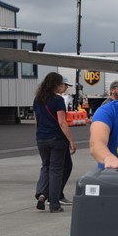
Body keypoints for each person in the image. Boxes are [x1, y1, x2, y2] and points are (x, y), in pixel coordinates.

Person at [33, 73, 77, 213]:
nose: (62, 87)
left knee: (45, 167)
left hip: (41, 138)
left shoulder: (37, 100)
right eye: (60, 84)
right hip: (57, 139)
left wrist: (40, 135)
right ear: (55, 85)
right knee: (56, 171)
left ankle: (42, 194)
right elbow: (62, 122)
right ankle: (54, 204)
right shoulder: (58, 100)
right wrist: (71, 140)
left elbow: (36, 121)